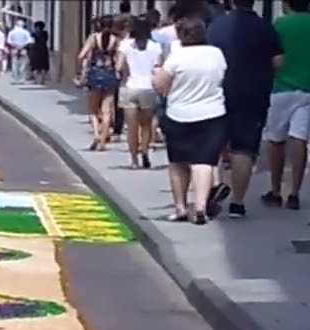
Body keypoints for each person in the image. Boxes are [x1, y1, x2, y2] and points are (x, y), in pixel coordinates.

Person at [207, 0, 282, 218]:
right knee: (244, 149)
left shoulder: (216, 26)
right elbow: (278, 61)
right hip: (253, 95)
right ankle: (237, 203)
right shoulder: (266, 28)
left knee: (216, 144)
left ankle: (218, 184)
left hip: (220, 92)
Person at [152, 16, 226, 225]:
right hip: (212, 113)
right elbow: (221, 77)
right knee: (204, 162)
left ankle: (181, 208)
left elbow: (160, 86)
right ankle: (201, 207)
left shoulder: (177, 57)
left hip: (180, 114)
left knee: (178, 163)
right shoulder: (216, 54)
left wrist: (157, 73)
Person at [263, 0, 310, 210]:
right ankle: (294, 193)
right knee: (299, 139)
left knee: (276, 140)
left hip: (280, 88)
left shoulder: (280, 24)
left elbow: (273, 57)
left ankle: (275, 190)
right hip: (308, 88)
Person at [117, 15, 162, 169]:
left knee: (132, 127)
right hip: (148, 88)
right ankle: (145, 151)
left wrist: (125, 73)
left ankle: (134, 160)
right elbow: (157, 67)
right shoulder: (155, 46)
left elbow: (118, 66)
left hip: (130, 87)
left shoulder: (126, 44)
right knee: (146, 125)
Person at [78, 16, 120, 151]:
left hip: (95, 74)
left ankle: (96, 134)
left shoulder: (93, 38)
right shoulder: (116, 40)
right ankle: (103, 140)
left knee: (93, 109)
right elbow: (118, 60)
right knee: (107, 111)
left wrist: (86, 62)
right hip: (109, 74)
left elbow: (81, 55)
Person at [5, 20, 31, 85]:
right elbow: (29, 41)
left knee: (14, 65)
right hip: (23, 49)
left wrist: (15, 45)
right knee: (22, 65)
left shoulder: (12, 32)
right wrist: (22, 45)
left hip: (14, 49)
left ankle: (14, 80)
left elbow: (9, 41)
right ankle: (21, 80)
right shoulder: (26, 32)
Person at [29, 21, 50, 85]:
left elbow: (32, 42)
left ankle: (36, 80)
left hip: (35, 51)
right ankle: (42, 80)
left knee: (35, 66)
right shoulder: (45, 33)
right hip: (44, 50)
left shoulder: (33, 34)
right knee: (43, 66)